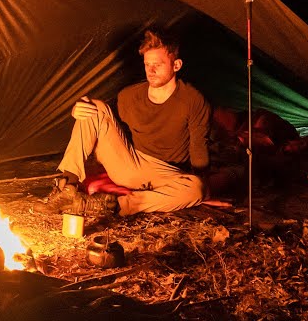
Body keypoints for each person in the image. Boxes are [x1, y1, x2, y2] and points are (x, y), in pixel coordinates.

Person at [46, 29, 210, 216]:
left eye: (157, 64)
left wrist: (203, 183)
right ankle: (67, 188)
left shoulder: (193, 99)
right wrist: (78, 110)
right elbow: (103, 123)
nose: (151, 70)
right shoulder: (129, 96)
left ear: (176, 65)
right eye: (147, 64)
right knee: (93, 107)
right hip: (130, 164)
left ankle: (114, 206)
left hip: (165, 173)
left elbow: (199, 147)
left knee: (196, 188)